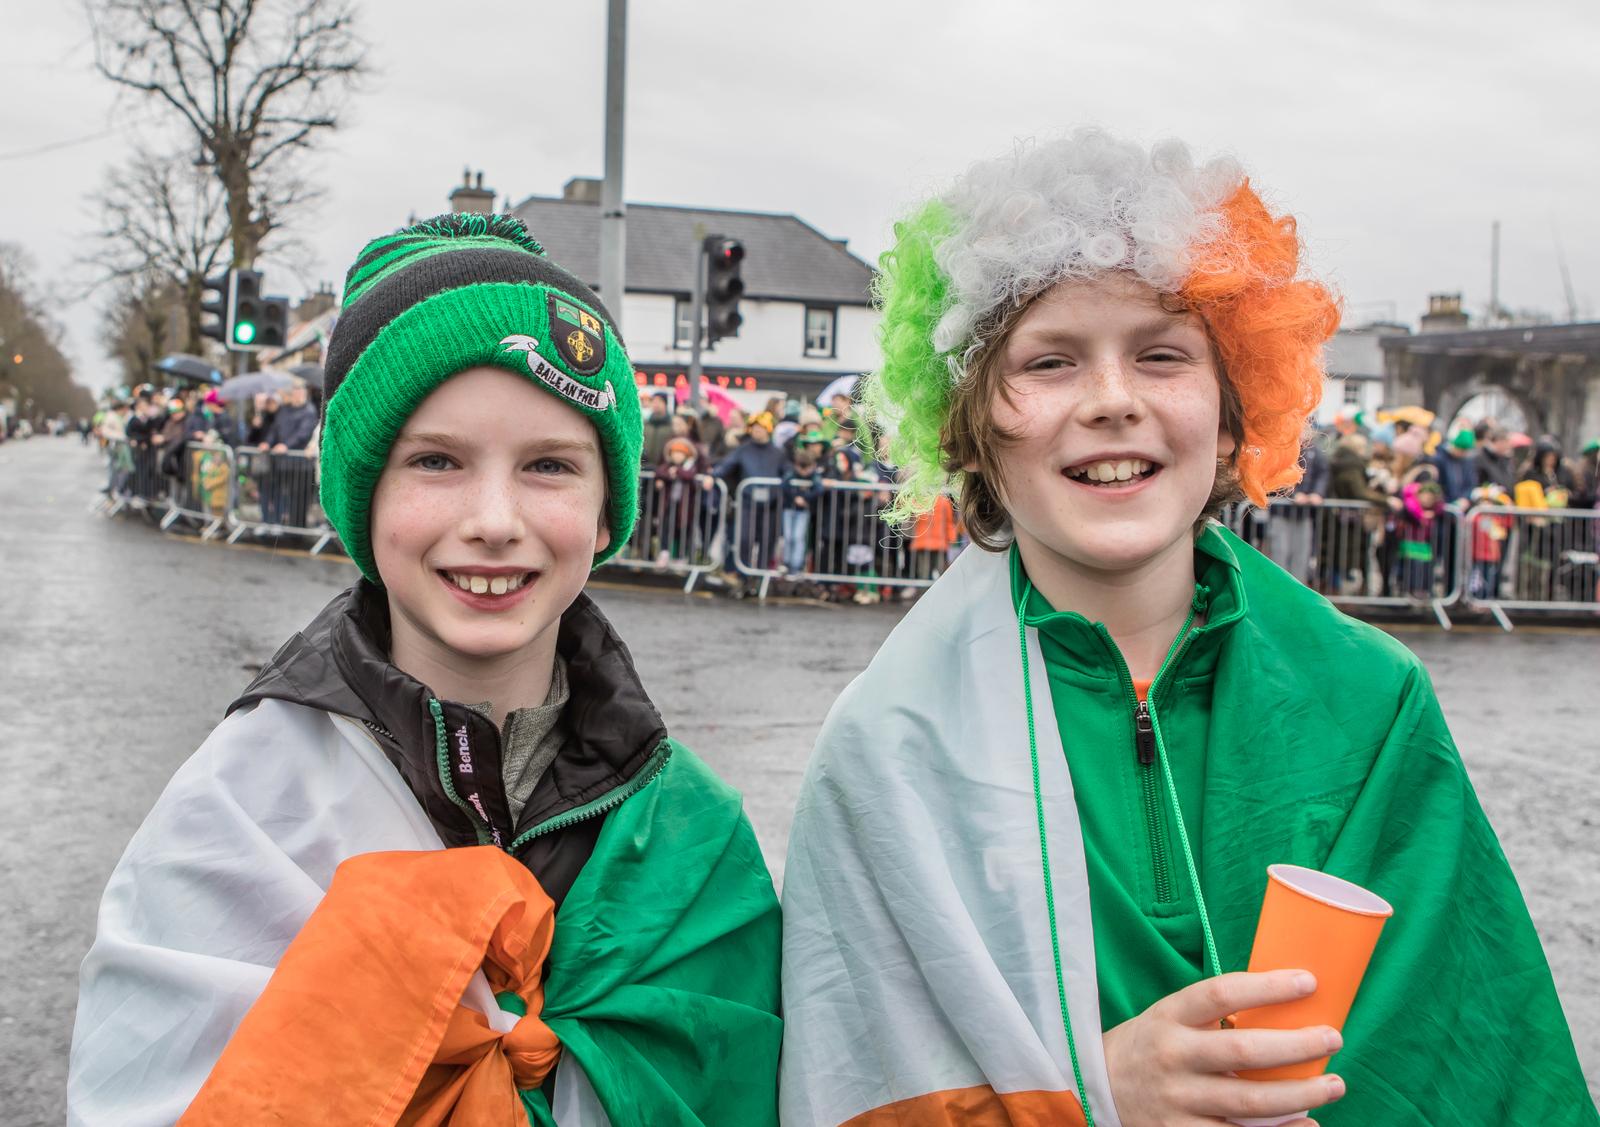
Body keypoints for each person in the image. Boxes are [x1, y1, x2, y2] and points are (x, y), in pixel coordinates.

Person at [778, 130, 1594, 1127]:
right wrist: (1088, 1092)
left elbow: (1472, 1062)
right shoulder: (884, 748)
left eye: (1160, 354)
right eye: (1049, 360)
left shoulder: (1372, 702)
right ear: (973, 427)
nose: (1112, 401)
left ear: (1228, 414)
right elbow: (845, 1081)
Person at [69, 213, 781, 1126]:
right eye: (436, 460)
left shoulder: (700, 837)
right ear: (363, 503)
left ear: (608, 515)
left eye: (551, 466)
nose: (493, 518)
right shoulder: (241, 808)